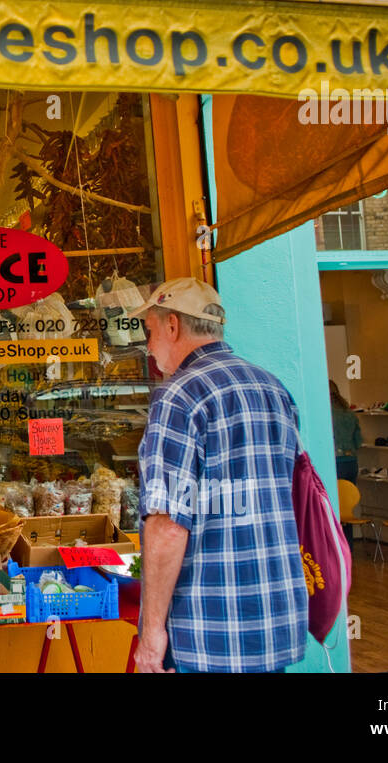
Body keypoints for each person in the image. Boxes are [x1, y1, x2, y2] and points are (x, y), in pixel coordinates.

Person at [131, 277, 308, 673]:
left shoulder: (179, 395)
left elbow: (168, 525)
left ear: (173, 325)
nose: (149, 345)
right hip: (275, 615)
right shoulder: (273, 389)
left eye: (151, 330)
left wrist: (152, 633)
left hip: (209, 628)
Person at [329, 381, 361, 485]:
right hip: (352, 461)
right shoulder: (350, 413)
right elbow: (358, 442)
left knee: (334, 500)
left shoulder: (326, 413)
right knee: (350, 498)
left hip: (335, 462)